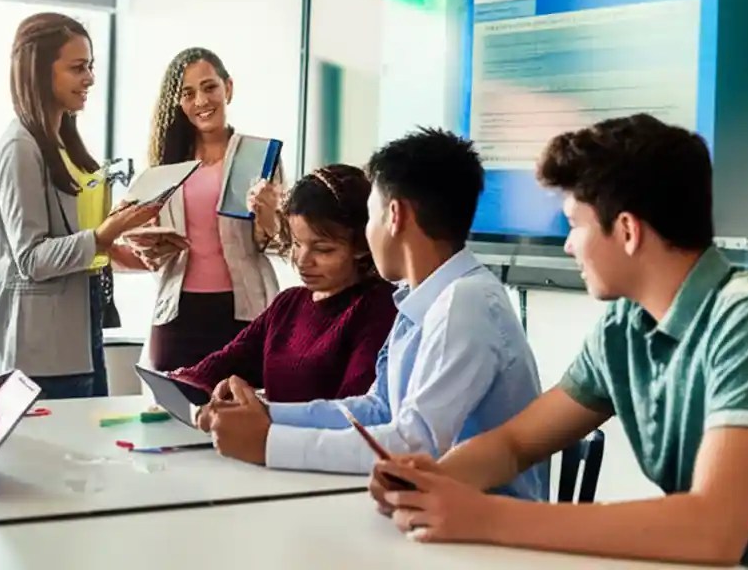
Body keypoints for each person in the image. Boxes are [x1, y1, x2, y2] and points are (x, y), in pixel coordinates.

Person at [370, 115, 748, 568]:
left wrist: (485, 516)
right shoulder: (625, 326)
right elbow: (515, 444)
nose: (568, 246)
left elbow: (712, 529)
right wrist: (430, 483)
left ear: (627, 231)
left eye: (574, 224)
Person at [203, 129, 547, 503]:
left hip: (483, 523)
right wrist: (267, 414)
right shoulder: (420, 299)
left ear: (395, 215)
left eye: (370, 217)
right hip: (429, 507)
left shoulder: (466, 303)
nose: (366, 235)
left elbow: (416, 445)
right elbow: (378, 409)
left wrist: (269, 443)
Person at [0, 13, 159, 399]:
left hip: (79, 335)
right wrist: (104, 234)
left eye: (90, 66)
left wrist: (128, 245)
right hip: (39, 351)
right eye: (78, 68)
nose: (90, 78)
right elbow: (32, 259)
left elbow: (82, 244)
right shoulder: (20, 147)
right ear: (38, 71)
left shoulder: (62, 142)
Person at [168, 164, 395, 404]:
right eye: (297, 243)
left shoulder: (378, 308)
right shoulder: (289, 303)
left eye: (322, 249)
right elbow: (226, 362)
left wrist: (264, 415)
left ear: (362, 245)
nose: (303, 260)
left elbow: (353, 409)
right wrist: (179, 382)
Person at [131, 47, 283, 373]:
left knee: (242, 400)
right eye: (188, 93)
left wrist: (269, 218)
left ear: (228, 87)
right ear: (179, 102)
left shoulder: (258, 155)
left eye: (209, 87)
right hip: (178, 312)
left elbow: (280, 242)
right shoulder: (166, 164)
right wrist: (147, 247)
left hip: (244, 312)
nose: (201, 100)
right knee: (174, 401)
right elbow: (147, 250)